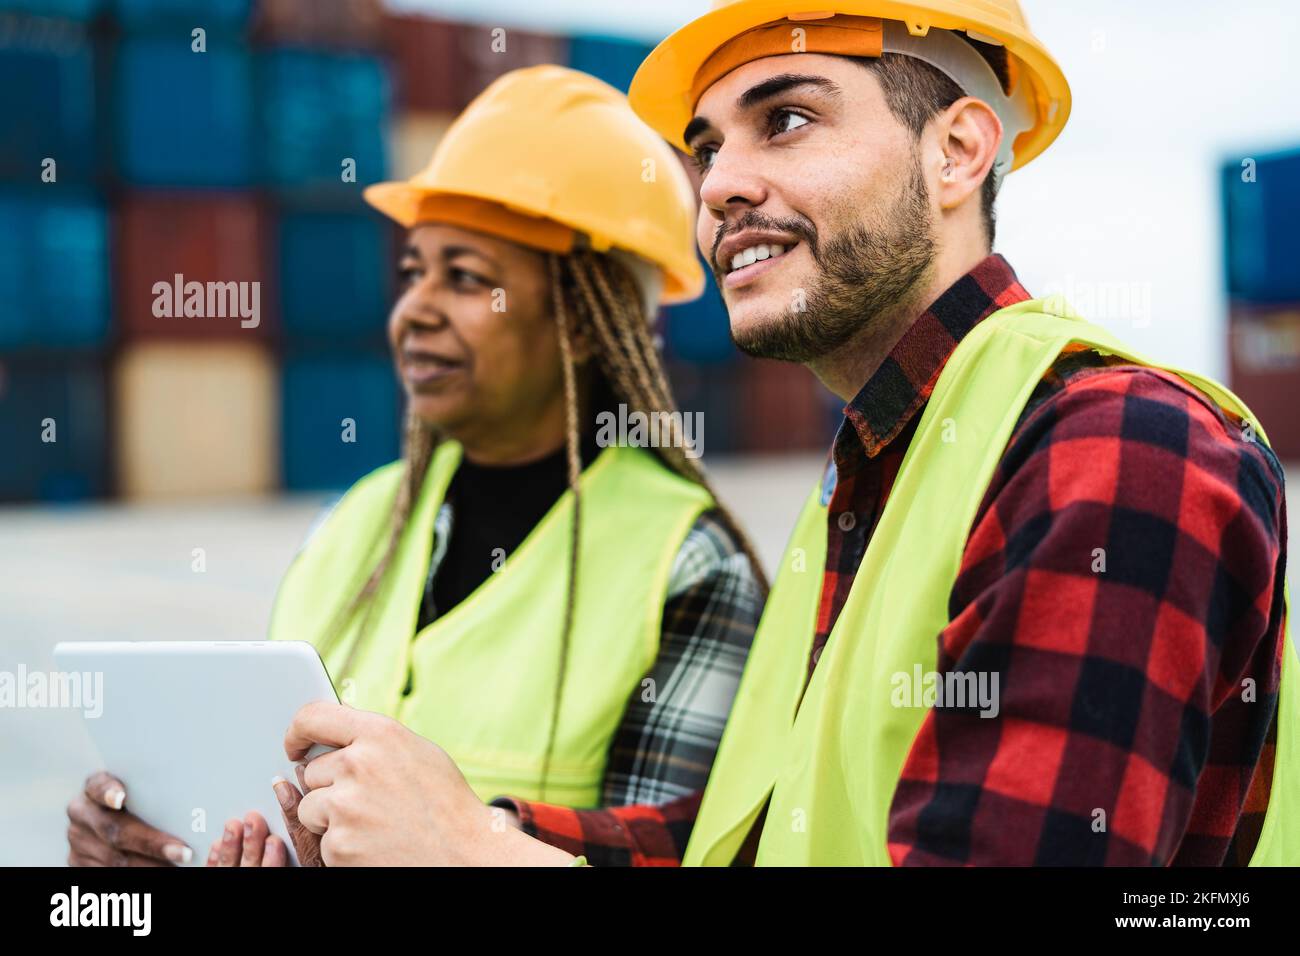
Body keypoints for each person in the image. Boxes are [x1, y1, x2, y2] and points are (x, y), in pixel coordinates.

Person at [263, 0, 1295, 867]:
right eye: (706, 148)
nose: (715, 187)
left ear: (957, 151)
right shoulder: (866, 479)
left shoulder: (1116, 450)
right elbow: (744, 838)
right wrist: (399, 825)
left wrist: (476, 851)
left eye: (788, 119)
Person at [63, 65, 767, 869]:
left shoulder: (688, 565)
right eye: (412, 273)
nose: (415, 310)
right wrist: (156, 847)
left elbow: (670, 853)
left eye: (465, 278)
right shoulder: (355, 520)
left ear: (580, 321)